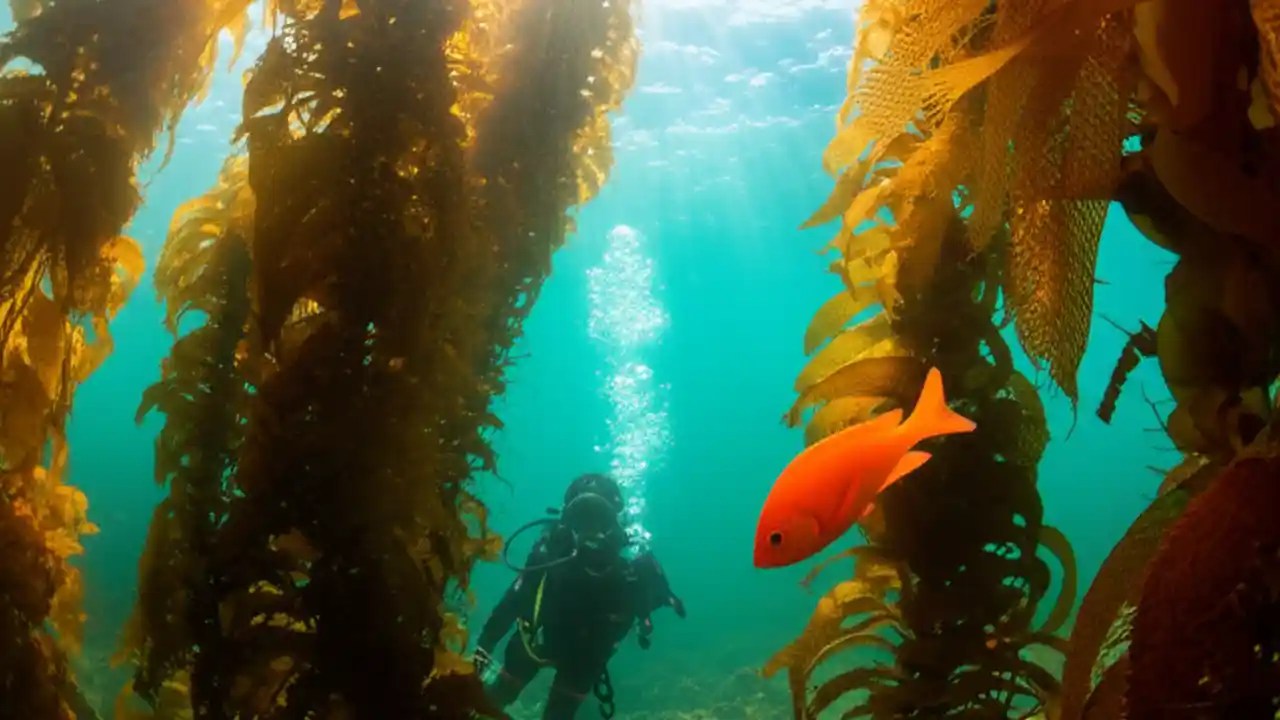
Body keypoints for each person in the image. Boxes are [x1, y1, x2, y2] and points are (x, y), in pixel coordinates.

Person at [473, 473, 685, 719]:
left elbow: (650, 605)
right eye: (582, 520)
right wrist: (484, 647)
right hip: (537, 641)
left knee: (557, 714)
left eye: (600, 520)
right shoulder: (549, 553)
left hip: (585, 657)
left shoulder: (633, 567)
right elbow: (513, 601)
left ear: (616, 524)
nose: (591, 532)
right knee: (495, 698)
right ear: (566, 522)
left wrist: (655, 598)